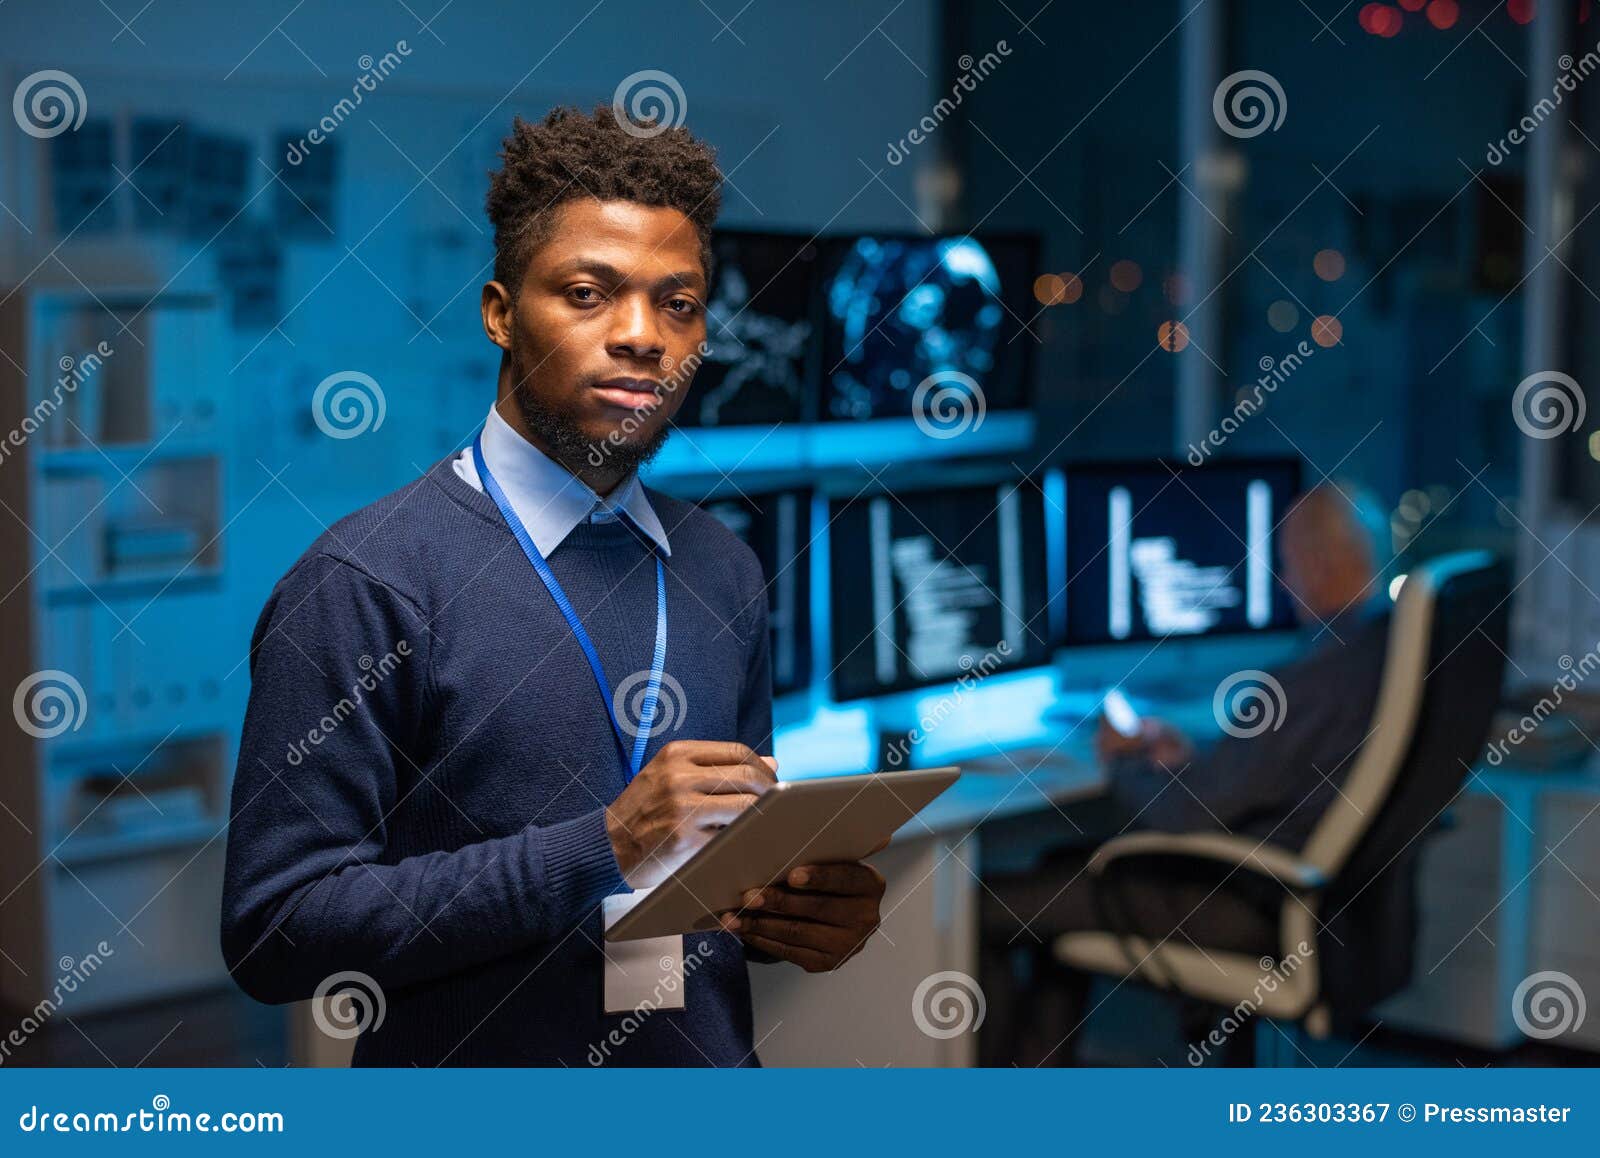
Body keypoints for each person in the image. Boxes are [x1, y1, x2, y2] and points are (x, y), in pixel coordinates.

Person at [220, 105, 885, 1067]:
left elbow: (721, 870)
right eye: (587, 293)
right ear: (500, 313)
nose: (642, 336)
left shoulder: (723, 566)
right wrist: (603, 847)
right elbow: (276, 930)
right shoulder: (366, 583)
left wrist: (802, 913)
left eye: (679, 304)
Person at [979, 482, 1393, 1065]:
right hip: (1325, 907)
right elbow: (1264, 776)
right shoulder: (1380, 653)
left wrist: (1122, 758)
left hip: (1247, 903)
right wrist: (1192, 756)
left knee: (979, 909)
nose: (1283, 583)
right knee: (1056, 872)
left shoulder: (1308, 682)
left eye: (1286, 565)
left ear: (1318, 564)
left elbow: (1181, 815)